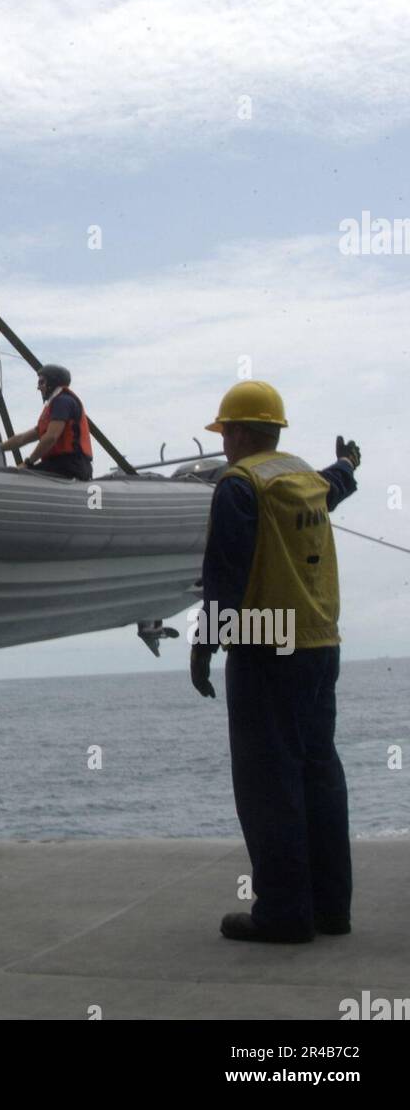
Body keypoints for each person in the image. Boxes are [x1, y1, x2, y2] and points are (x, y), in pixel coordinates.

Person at [190, 380, 359, 943]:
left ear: (237, 432)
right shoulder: (305, 477)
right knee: (318, 773)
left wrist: (203, 644)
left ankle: (285, 912)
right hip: (320, 642)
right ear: (276, 429)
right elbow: (336, 487)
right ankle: (331, 908)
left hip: (266, 647)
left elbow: (225, 577)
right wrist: (348, 462)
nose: (223, 444)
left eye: (224, 433)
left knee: (269, 782)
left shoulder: (238, 486)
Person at [0, 364, 93, 480]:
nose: (38, 387)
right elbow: (23, 438)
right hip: (59, 463)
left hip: (70, 465)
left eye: (41, 382)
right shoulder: (55, 405)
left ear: (53, 382)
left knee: (18, 477)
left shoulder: (63, 401)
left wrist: (28, 462)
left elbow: (51, 437)